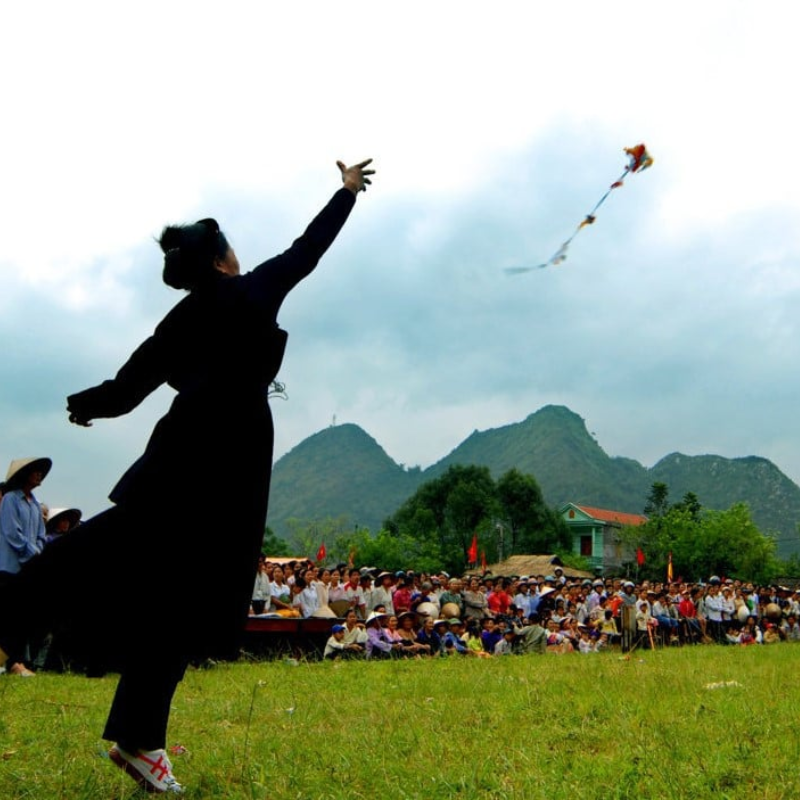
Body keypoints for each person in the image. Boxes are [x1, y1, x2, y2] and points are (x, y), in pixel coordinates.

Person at [0, 158, 374, 795]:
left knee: (160, 597)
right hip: (227, 467)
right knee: (137, 577)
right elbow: (308, 250)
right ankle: (32, 637)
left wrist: (82, 405)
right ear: (223, 260)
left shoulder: (179, 321)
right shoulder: (253, 292)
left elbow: (127, 387)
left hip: (182, 453)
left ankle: (140, 741)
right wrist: (345, 194)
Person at [0, 457, 52, 677]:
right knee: (7, 615)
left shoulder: (34, 504)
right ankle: (9, 661)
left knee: (23, 616)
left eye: (41, 472)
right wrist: (34, 553)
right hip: (11, 567)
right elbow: (12, 533)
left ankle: (17, 661)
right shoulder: (11, 499)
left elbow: (42, 534)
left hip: (29, 568)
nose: (39, 474)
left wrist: (38, 551)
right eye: (35, 471)